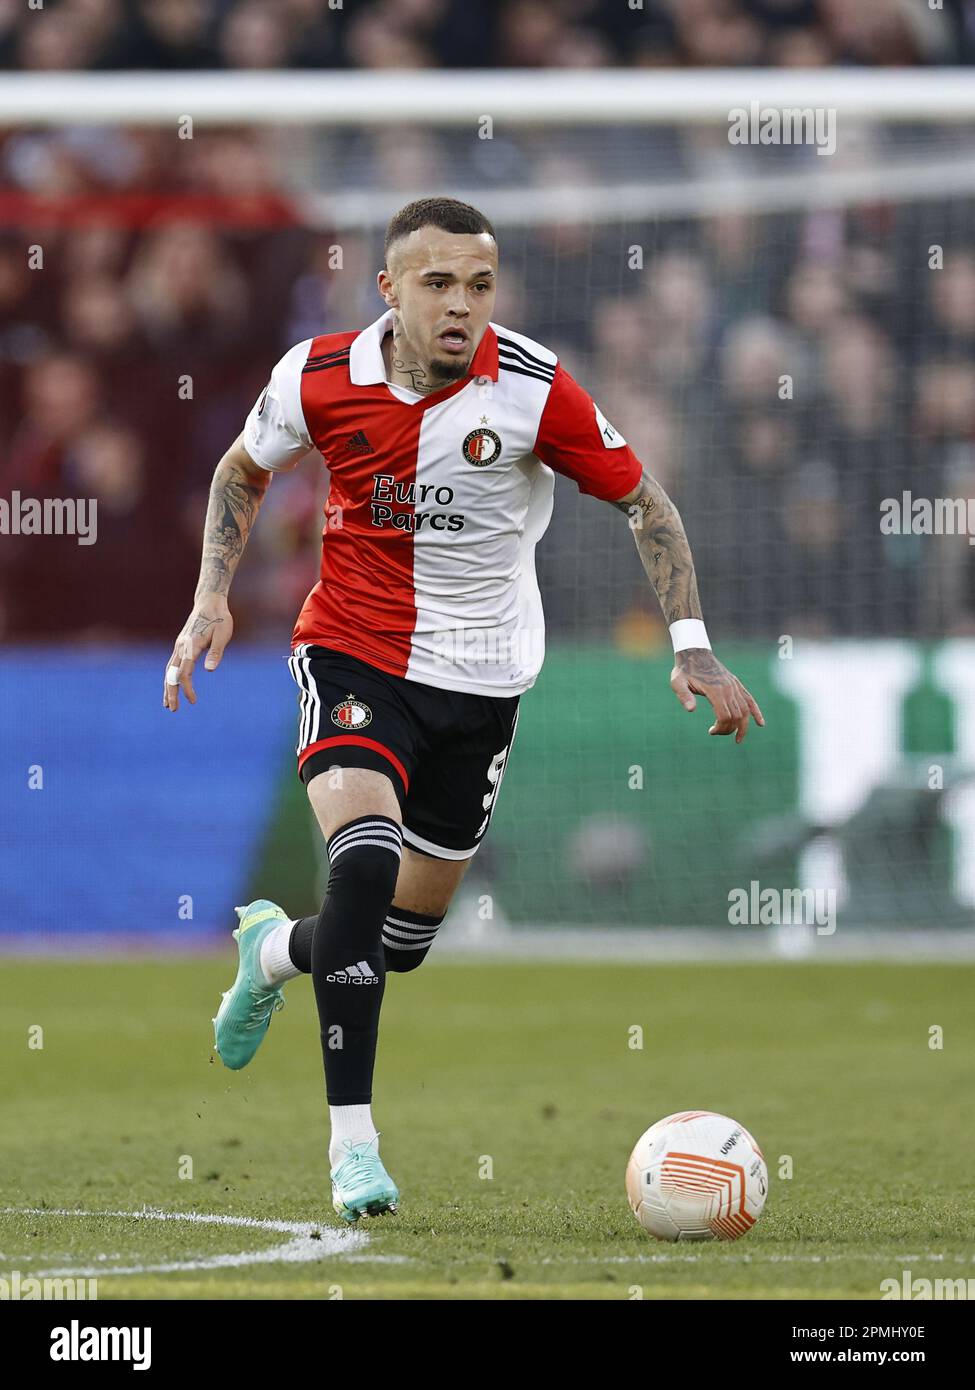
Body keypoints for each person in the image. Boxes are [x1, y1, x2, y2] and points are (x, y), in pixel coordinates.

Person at [163, 196, 764, 1224]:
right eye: (438, 283)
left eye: (480, 284)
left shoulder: (533, 389)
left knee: (395, 941)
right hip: (353, 652)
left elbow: (644, 502)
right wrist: (210, 596)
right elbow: (242, 467)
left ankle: (271, 951)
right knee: (361, 861)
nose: (462, 306)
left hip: (483, 685)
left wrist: (692, 646)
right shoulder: (316, 376)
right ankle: (355, 1146)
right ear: (388, 289)